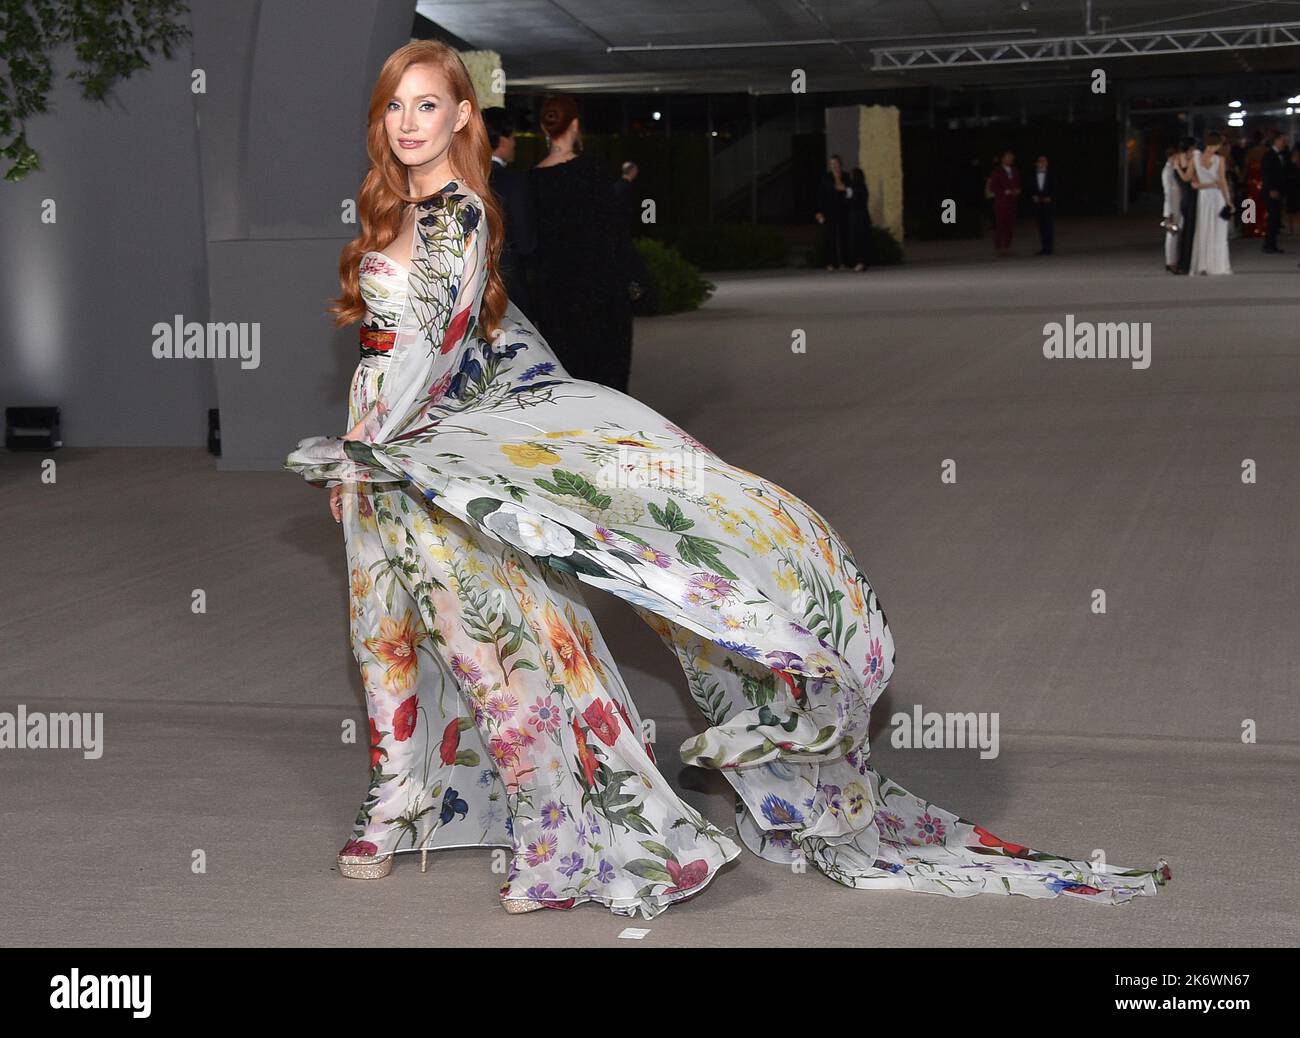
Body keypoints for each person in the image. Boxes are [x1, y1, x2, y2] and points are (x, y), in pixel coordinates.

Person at [285, 40, 1173, 918]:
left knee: (489, 650)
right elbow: (469, 344)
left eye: (427, 105)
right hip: (386, 445)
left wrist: (364, 445)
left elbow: (432, 357)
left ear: (462, 116)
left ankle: (554, 832)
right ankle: (396, 799)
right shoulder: (390, 204)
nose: (408, 123)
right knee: (379, 627)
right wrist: (364, 447)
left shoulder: (462, 216)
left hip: (422, 453)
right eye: (395, 107)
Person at [528, 95, 636, 393]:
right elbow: (614, 230)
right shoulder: (594, 170)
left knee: (566, 371)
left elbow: (531, 242)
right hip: (600, 289)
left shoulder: (531, 180)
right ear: (575, 125)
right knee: (607, 373)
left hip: (555, 292)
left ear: (543, 128)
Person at [482, 107, 537, 322]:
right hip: (508, 291)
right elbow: (526, 244)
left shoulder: (462, 178)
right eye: (513, 137)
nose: (515, 143)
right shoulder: (514, 183)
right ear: (503, 139)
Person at [1189, 132, 1233, 276]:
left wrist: (1198, 184)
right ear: (1217, 144)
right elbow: (1222, 181)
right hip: (1217, 197)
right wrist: (1228, 201)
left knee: (1203, 228)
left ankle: (1202, 265)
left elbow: (1189, 177)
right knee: (1218, 230)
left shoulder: (1196, 157)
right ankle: (1217, 265)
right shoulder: (1220, 159)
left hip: (1204, 198)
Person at [813, 154, 851, 269]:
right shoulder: (826, 178)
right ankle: (830, 262)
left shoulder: (846, 176)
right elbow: (821, 195)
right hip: (829, 211)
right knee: (830, 237)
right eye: (831, 164)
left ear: (840, 164)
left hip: (843, 211)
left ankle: (843, 262)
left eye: (835, 163)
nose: (833, 166)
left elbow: (851, 192)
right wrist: (819, 211)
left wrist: (845, 189)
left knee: (844, 236)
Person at [1173, 137, 1200, 275]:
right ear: (1190, 148)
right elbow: (1188, 179)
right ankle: (1186, 263)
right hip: (1193, 199)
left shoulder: (1175, 159)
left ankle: (1181, 262)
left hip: (1184, 200)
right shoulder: (1191, 162)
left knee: (1185, 232)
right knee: (1190, 232)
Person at [988, 150, 1020, 255]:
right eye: (1008, 157)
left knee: (1010, 226)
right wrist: (1005, 191)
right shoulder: (997, 171)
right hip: (1001, 202)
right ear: (1003, 159)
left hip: (1012, 202)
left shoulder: (1015, 171)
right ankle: (998, 247)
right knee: (1000, 225)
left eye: (1011, 158)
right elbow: (992, 187)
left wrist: (1017, 190)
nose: (1010, 160)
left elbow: (1017, 184)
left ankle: (1007, 247)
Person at [1260, 131, 1287, 253]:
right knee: (1273, 217)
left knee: (1276, 218)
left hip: (1279, 190)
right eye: (1282, 140)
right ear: (1276, 141)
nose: (1284, 143)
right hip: (1272, 191)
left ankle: (1272, 243)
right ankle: (1269, 244)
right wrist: (1271, 189)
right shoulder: (1269, 155)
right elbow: (1266, 174)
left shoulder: (1282, 154)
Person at [1160, 147, 1181, 272]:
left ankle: (1172, 260)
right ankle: (1170, 261)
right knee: (1172, 234)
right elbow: (1168, 192)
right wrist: (1169, 212)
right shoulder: (1168, 171)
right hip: (1172, 206)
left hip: (1175, 205)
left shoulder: (1171, 169)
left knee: (1173, 234)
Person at [847, 167, 872, 271]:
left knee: (856, 240)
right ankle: (862, 262)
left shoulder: (851, 188)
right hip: (864, 216)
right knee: (863, 240)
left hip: (856, 217)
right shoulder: (864, 187)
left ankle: (859, 262)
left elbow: (849, 202)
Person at [1029, 154, 1055, 255]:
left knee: (1049, 225)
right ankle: (1044, 247)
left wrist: (1050, 197)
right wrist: (1033, 195)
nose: (1042, 162)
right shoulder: (1032, 174)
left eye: (1044, 161)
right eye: (1040, 161)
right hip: (1038, 204)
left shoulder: (1051, 173)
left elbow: (1056, 187)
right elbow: (1030, 187)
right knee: (1041, 226)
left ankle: (1049, 248)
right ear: (1036, 163)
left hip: (1048, 203)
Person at [1285, 147, 1300, 235]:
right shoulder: (1288, 164)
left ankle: (1296, 227)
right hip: (1291, 189)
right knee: (1291, 210)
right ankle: (1292, 228)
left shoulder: (1297, 164)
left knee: (1297, 209)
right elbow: (1286, 176)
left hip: (1297, 188)